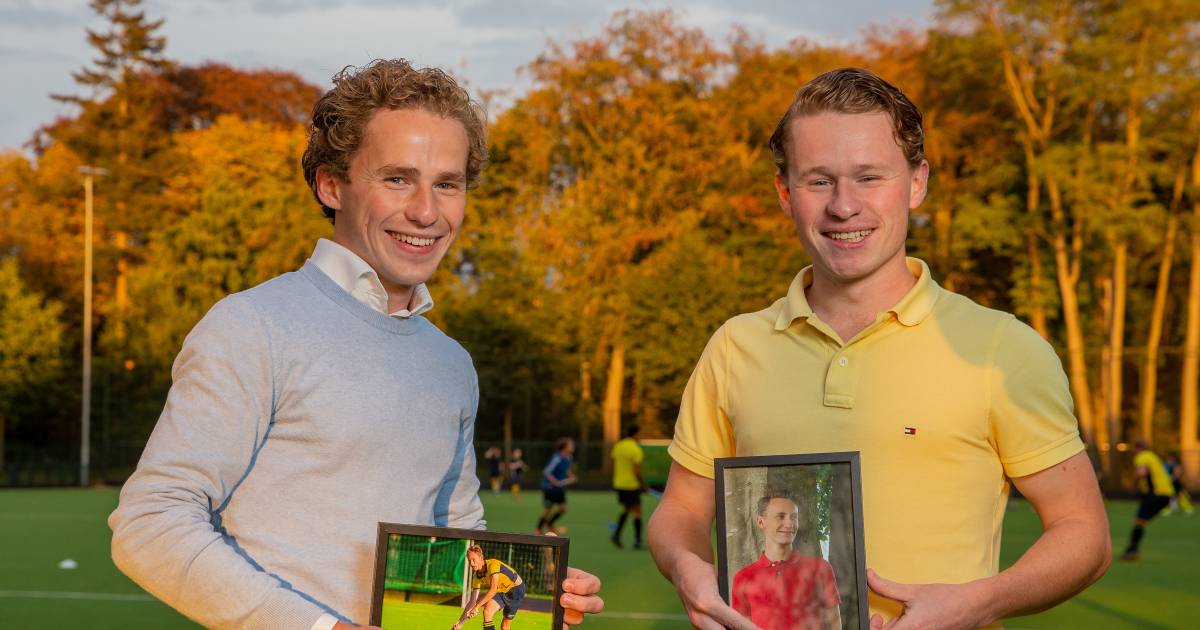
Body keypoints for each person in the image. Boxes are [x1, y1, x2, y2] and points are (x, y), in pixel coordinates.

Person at [108, 59, 603, 630]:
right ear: (332, 184)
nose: (426, 210)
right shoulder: (253, 325)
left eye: (447, 183)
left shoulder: (451, 363)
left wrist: (538, 600)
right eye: (397, 178)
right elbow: (150, 521)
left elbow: (459, 534)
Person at [647, 67, 1110, 630]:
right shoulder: (734, 346)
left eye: (869, 177)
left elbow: (1084, 532)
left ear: (917, 183)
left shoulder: (1000, 347)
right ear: (784, 192)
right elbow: (682, 511)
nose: (844, 207)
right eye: (819, 180)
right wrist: (687, 566)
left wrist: (979, 602)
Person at [731, 493, 840, 630]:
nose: (789, 523)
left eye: (794, 517)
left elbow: (834, 624)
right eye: (780, 516)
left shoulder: (820, 568)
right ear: (761, 522)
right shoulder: (743, 577)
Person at [1121, 440, 1176, 560]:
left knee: (1139, 522)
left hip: (1155, 495)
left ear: (1136, 449)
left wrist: (1133, 485)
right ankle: (1133, 549)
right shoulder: (1153, 456)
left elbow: (1141, 472)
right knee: (1141, 522)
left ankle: (1132, 550)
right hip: (1166, 496)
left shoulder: (1142, 457)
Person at [453, 546, 526, 630]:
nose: (471, 563)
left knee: (504, 626)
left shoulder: (493, 565)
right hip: (501, 590)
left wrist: (477, 607)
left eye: (474, 560)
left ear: (481, 558)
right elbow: (472, 601)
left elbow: (493, 589)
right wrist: (460, 623)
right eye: (469, 560)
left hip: (516, 590)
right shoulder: (476, 576)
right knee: (487, 612)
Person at [610, 425, 649, 549]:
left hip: (619, 484)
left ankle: (616, 535)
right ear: (635, 434)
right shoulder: (635, 449)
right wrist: (644, 485)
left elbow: (613, 463)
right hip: (631, 485)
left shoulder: (618, 446)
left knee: (627, 509)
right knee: (637, 512)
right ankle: (637, 541)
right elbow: (636, 470)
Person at [538, 438, 577, 534]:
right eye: (570, 445)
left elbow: (566, 470)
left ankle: (550, 524)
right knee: (548, 510)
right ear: (564, 447)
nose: (573, 446)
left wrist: (571, 476)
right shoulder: (556, 458)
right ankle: (538, 529)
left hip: (559, 488)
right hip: (549, 487)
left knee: (563, 509)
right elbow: (546, 471)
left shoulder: (569, 457)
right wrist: (554, 482)